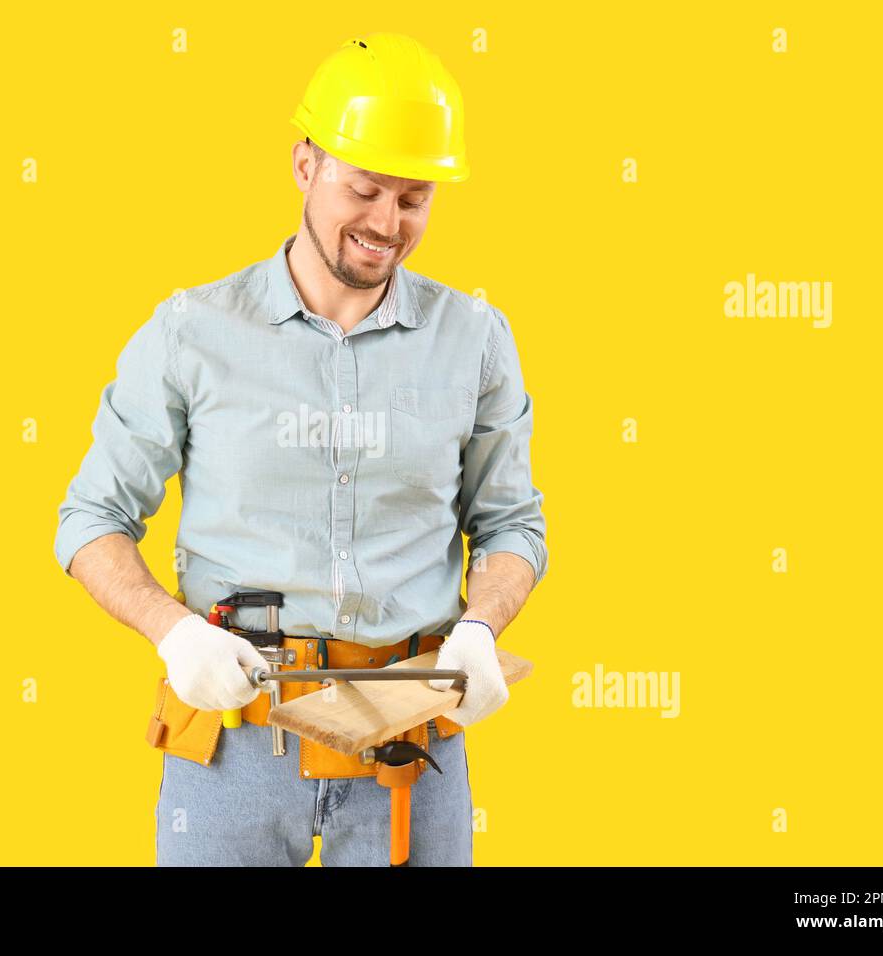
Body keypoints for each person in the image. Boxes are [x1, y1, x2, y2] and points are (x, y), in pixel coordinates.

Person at [54, 32, 547, 866]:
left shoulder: (476, 340)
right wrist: (174, 633)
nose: (387, 224)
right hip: (233, 754)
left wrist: (480, 628)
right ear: (304, 167)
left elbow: (512, 526)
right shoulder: (190, 332)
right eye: (365, 190)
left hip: (411, 750)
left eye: (414, 198)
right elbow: (88, 521)